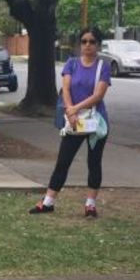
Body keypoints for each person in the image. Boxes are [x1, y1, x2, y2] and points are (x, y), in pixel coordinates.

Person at [30, 27, 111, 217]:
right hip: (73, 120)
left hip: (95, 122)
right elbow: (66, 89)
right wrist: (70, 110)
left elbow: (98, 95)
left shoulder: (103, 67)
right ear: (79, 44)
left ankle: (90, 205)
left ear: (98, 44)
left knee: (94, 162)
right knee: (63, 161)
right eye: (84, 41)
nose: (87, 45)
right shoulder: (72, 64)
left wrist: (76, 108)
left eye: (92, 41)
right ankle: (48, 202)